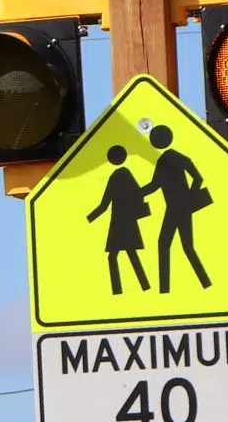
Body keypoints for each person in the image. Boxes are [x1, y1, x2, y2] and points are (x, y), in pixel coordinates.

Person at [141, 124, 213, 291]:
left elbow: (154, 185)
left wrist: (137, 193)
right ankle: (204, 283)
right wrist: (189, 199)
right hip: (178, 208)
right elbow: (197, 179)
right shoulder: (174, 158)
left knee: (166, 244)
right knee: (184, 246)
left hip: (176, 208)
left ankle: (165, 288)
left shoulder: (166, 160)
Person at [86, 144, 152, 295]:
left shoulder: (117, 176)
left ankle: (122, 290)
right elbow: (138, 194)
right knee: (128, 255)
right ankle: (142, 286)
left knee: (116, 257)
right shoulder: (124, 175)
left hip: (120, 224)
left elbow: (104, 205)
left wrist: (89, 218)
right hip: (125, 222)